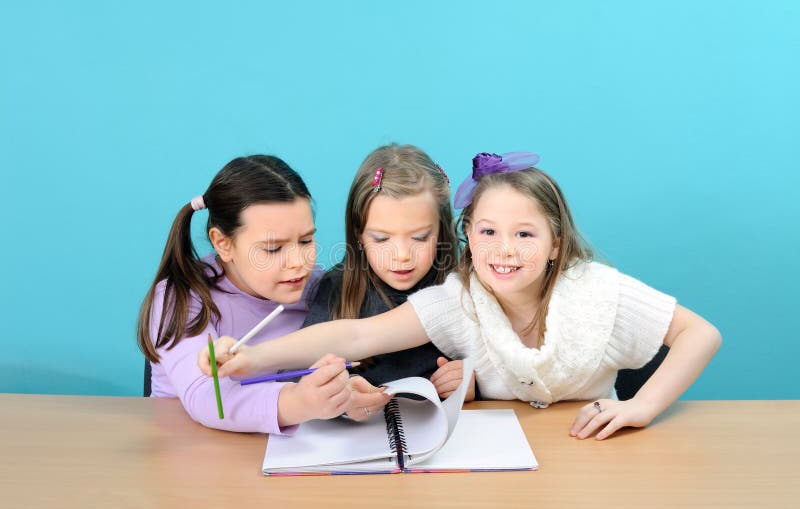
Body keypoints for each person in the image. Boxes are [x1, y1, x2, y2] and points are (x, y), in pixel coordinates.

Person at [199, 152, 721, 440]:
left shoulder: (596, 288)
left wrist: (642, 406)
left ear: (557, 242)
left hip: (591, 451)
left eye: (525, 234)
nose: (505, 250)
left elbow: (701, 334)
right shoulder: (461, 298)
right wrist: (254, 358)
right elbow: (356, 335)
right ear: (469, 234)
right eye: (488, 232)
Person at [138, 154, 388, 433]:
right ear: (223, 244)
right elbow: (207, 399)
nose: (298, 262)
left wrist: (340, 397)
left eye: (306, 240)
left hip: (286, 453)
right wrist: (300, 402)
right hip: (190, 450)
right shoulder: (181, 297)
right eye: (273, 249)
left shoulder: (318, 289)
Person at [303, 144, 476, 409]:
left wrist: (474, 380)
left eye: (420, 237)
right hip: (359, 432)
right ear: (359, 233)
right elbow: (295, 377)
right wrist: (338, 395)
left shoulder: (463, 288)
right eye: (382, 239)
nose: (402, 255)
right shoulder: (337, 287)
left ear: (441, 231)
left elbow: (510, 368)